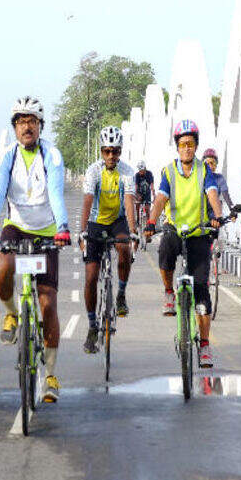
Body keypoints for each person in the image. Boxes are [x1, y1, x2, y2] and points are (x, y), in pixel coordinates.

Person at [0, 96, 71, 403]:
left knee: (47, 304)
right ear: (15, 128)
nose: (26, 127)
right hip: (16, 225)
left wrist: (62, 227)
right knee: (3, 267)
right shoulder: (7, 156)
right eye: (21, 122)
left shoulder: (52, 155)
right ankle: (12, 314)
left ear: (40, 125)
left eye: (31, 121)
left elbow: (57, 194)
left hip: (47, 230)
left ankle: (49, 375)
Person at [142, 120, 225, 368]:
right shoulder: (168, 172)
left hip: (199, 232)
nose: (187, 149)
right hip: (176, 229)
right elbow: (160, 198)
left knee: (201, 291)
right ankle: (169, 292)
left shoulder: (204, 171)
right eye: (182, 145)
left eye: (191, 144)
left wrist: (218, 216)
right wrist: (151, 220)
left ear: (196, 146)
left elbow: (212, 193)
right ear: (177, 148)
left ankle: (205, 345)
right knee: (165, 248)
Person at [79, 126, 137, 355]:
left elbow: (130, 202)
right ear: (101, 152)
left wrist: (133, 232)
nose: (111, 156)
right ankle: (93, 326)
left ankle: (121, 294)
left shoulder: (127, 171)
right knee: (91, 276)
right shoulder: (93, 171)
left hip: (117, 221)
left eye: (115, 151)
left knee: (124, 248)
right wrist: (82, 232)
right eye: (106, 151)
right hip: (96, 222)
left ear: (120, 151)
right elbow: (87, 201)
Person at [134, 160, 155, 240]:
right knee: (137, 205)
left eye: (142, 171)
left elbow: (152, 186)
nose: (141, 173)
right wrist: (136, 195)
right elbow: (135, 186)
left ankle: (148, 227)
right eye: (139, 171)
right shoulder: (137, 175)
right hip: (139, 193)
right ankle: (138, 220)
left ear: (145, 169)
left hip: (147, 194)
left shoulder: (149, 174)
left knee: (147, 209)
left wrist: (154, 195)